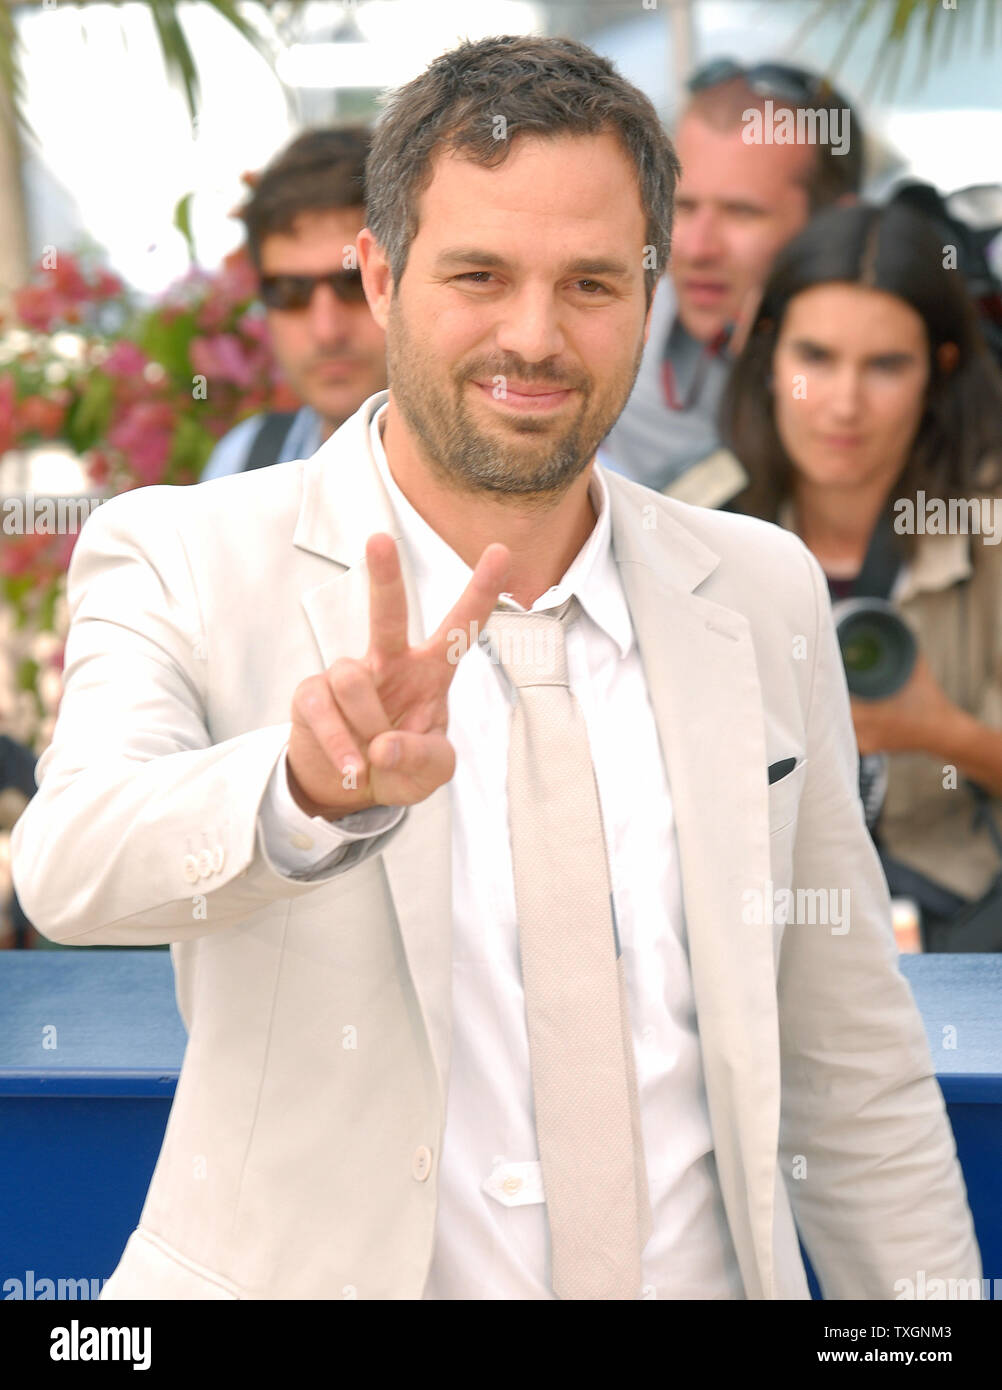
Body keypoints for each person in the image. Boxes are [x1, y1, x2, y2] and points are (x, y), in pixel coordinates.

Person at [12, 35, 978, 1300]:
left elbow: (850, 1053)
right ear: (379, 275)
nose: (536, 336)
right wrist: (299, 795)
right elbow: (68, 866)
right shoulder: (185, 553)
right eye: (479, 273)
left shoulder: (760, 584)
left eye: (589, 283)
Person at [722, 201, 1002, 948]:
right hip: (736, 916)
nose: (844, 405)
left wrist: (944, 735)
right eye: (816, 358)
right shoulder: (684, 519)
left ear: (939, 371)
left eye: (885, 365)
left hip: (956, 917)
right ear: (769, 355)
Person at [598, 59, 862, 506]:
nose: (697, 249)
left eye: (743, 213)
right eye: (683, 206)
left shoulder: (901, 369)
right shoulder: (607, 336)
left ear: (837, 226)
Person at [201, 125, 388, 480]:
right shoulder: (242, 462)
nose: (327, 331)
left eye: (353, 283)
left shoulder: (501, 481)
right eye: (289, 291)